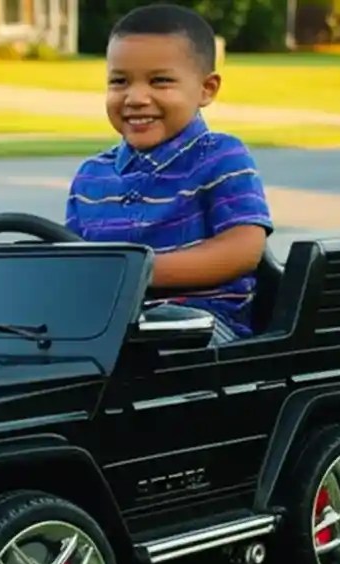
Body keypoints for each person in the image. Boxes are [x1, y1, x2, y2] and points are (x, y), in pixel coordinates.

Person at [64, 3, 274, 344]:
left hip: (202, 327)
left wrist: (136, 272)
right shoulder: (92, 176)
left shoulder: (221, 156)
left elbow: (243, 249)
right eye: (119, 82)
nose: (135, 98)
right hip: (108, 328)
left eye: (160, 81)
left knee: (147, 342)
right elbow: (72, 258)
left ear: (207, 89)